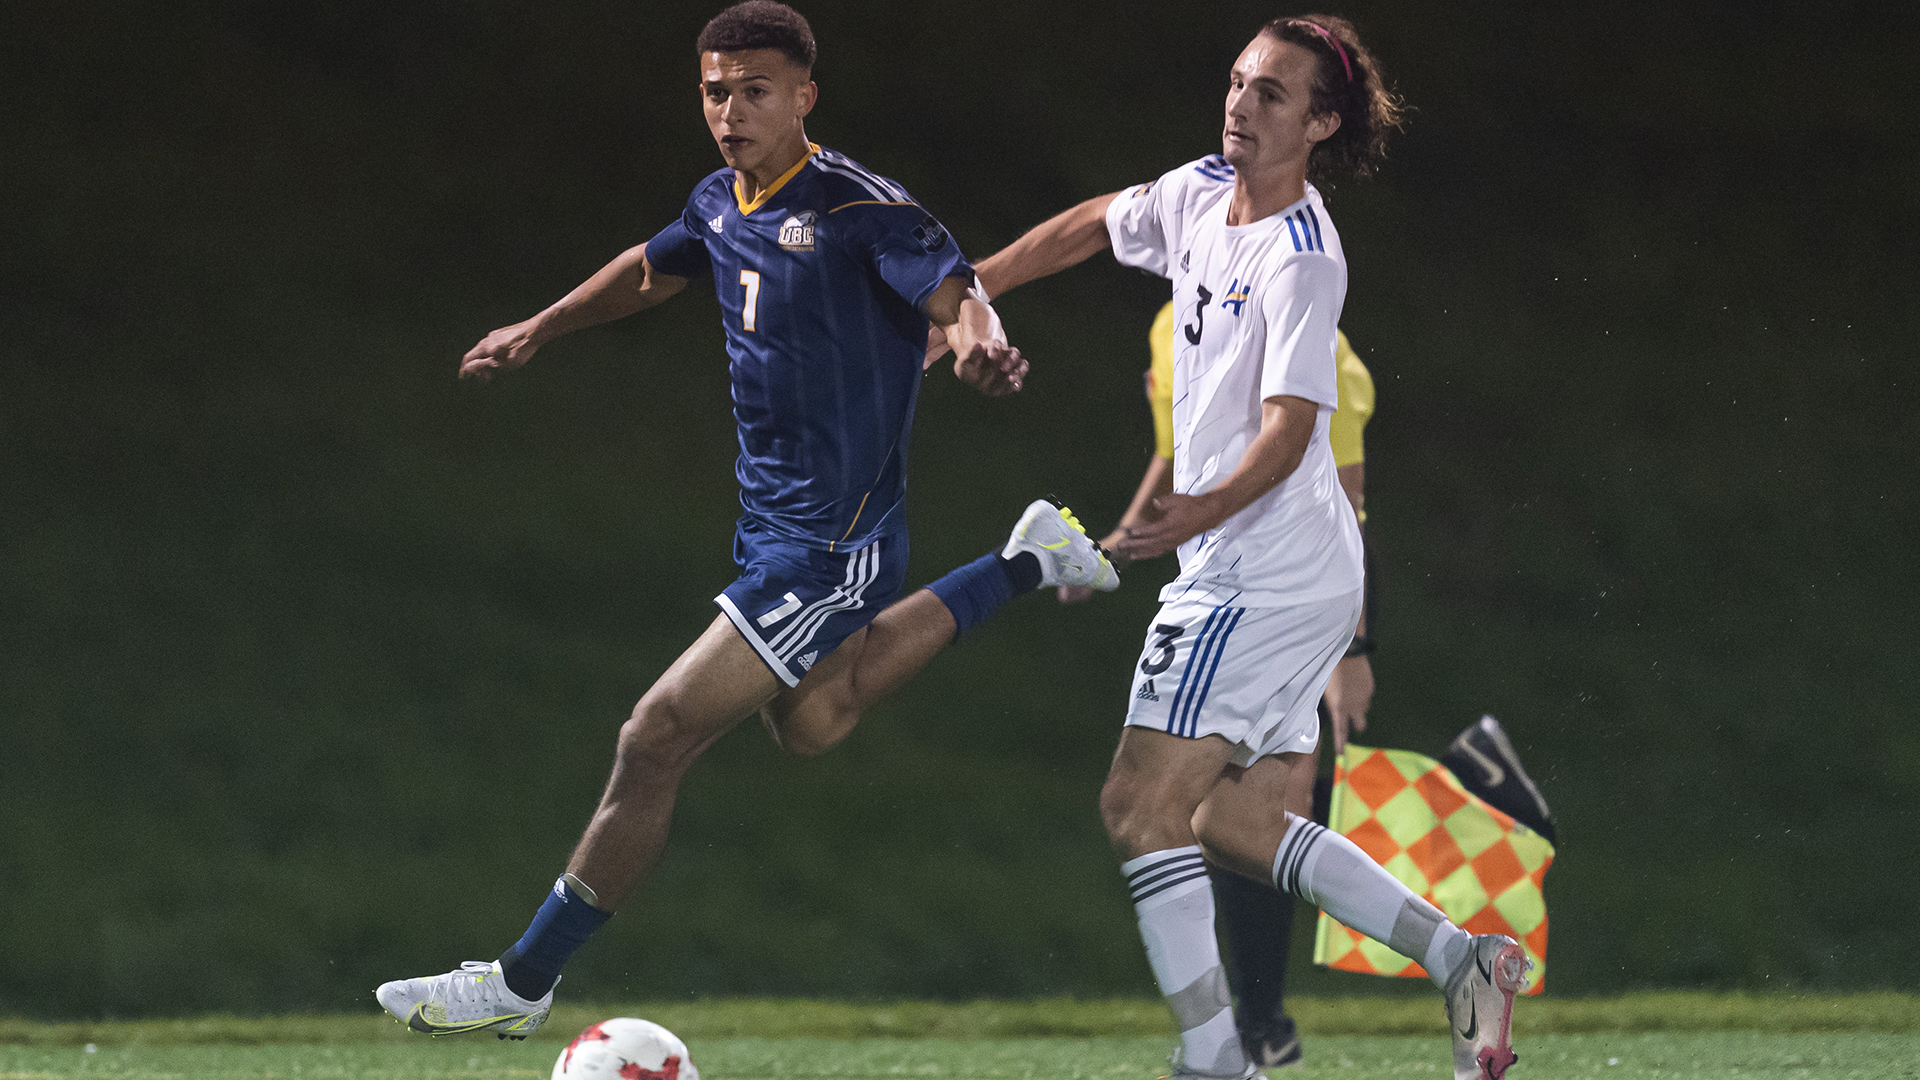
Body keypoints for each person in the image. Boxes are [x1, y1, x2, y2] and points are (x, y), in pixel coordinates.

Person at [373, 1, 1117, 1039]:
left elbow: (956, 290)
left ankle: (519, 983)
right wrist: (541, 327)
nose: (731, 110)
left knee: (655, 734)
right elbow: (649, 270)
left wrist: (983, 339)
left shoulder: (863, 208)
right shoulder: (721, 202)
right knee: (812, 721)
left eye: (754, 91)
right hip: (771, 528)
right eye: (716, 91)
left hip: (831, 547)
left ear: (805, 96)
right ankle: (1029, 560)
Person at [973, 15, 1529, 1080]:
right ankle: (1465, 960)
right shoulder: (1192, 192)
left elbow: (1292, 428)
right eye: (1237, 82)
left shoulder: (1304, 257)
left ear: (1321, 123)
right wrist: (979, 287)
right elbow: (1096, 221)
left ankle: (1215, 1055)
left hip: (1259, 565)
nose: (1240, 103)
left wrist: (1198, 508)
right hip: (1283, 564)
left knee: (1140, 807)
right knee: (1235, 817)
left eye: (1272, 93)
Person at [1054, 305, 1377, 1068]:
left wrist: (1352, 651)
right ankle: (1270, 1024)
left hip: (1290, 598)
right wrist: (1119, 546)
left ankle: (1255, 1027)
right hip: (1218, 594)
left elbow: (1349, 506)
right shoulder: (1173, 320)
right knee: (1217, 818)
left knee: (1252, 815)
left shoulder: (1316, 342)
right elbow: (1179, 457)